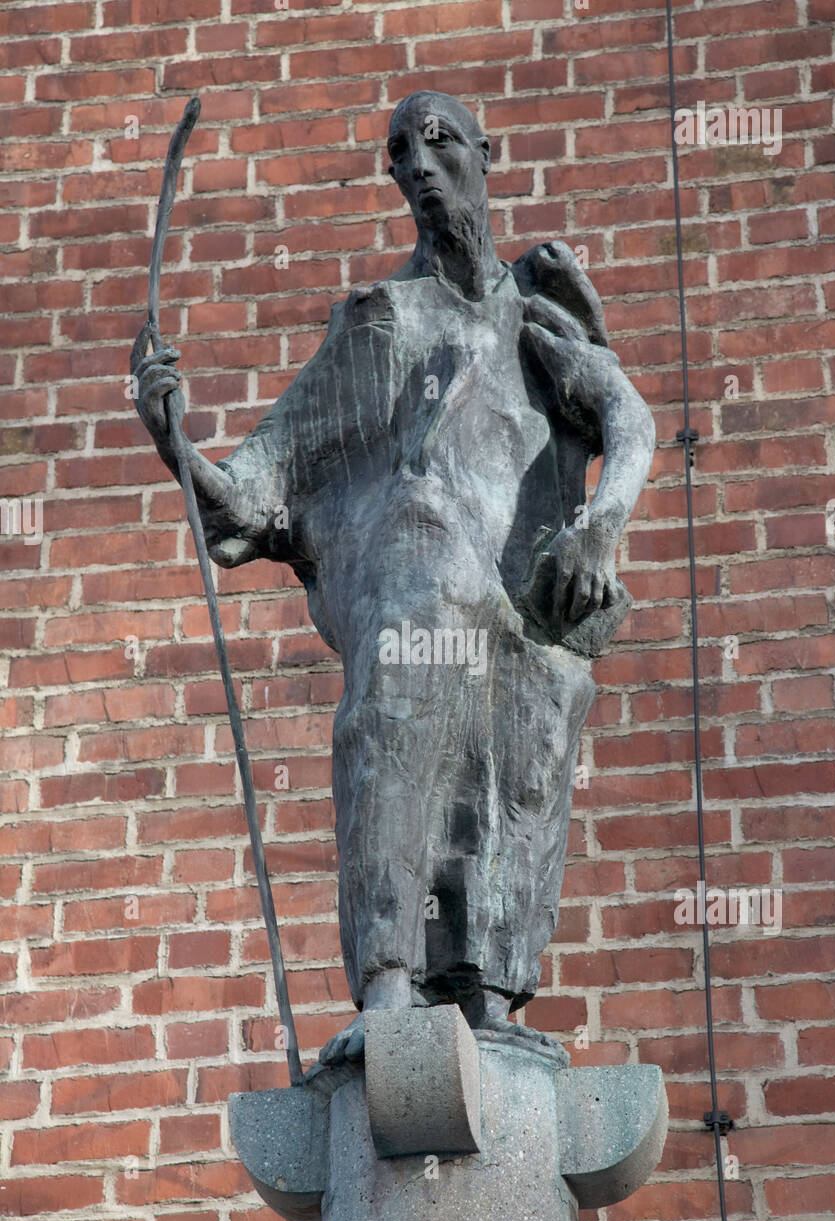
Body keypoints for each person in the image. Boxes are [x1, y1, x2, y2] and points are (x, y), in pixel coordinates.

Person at [133, 90, 655, 1066]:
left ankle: (489, 1000)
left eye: (439, 141)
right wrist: (174, 443)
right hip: (413, 604)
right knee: (396, 745)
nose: (418, 162)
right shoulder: (374, 328)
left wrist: (600, 527)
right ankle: (386, 986)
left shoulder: (537, 315)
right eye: (400, 150)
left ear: (483, 155)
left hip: (527, 627)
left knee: (519, 777)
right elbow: (251, 493)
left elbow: (627, 420)